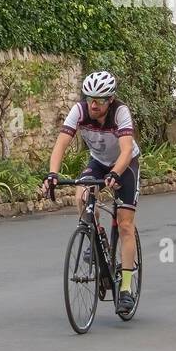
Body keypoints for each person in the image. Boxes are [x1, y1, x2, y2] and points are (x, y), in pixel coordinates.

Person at [38, 71, 140, 313]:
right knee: (82, 195)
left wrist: (115, 174)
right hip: (98, 161)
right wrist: (52, 174)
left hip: (124, 165)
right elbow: (61, 143)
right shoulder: (80, 110)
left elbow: (126, 151)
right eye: (89, 98)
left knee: (125, 224)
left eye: (100, 100)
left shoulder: (120, 113)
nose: (93, 104)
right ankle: (95, 236)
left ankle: (125, 288)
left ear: (111, 99)